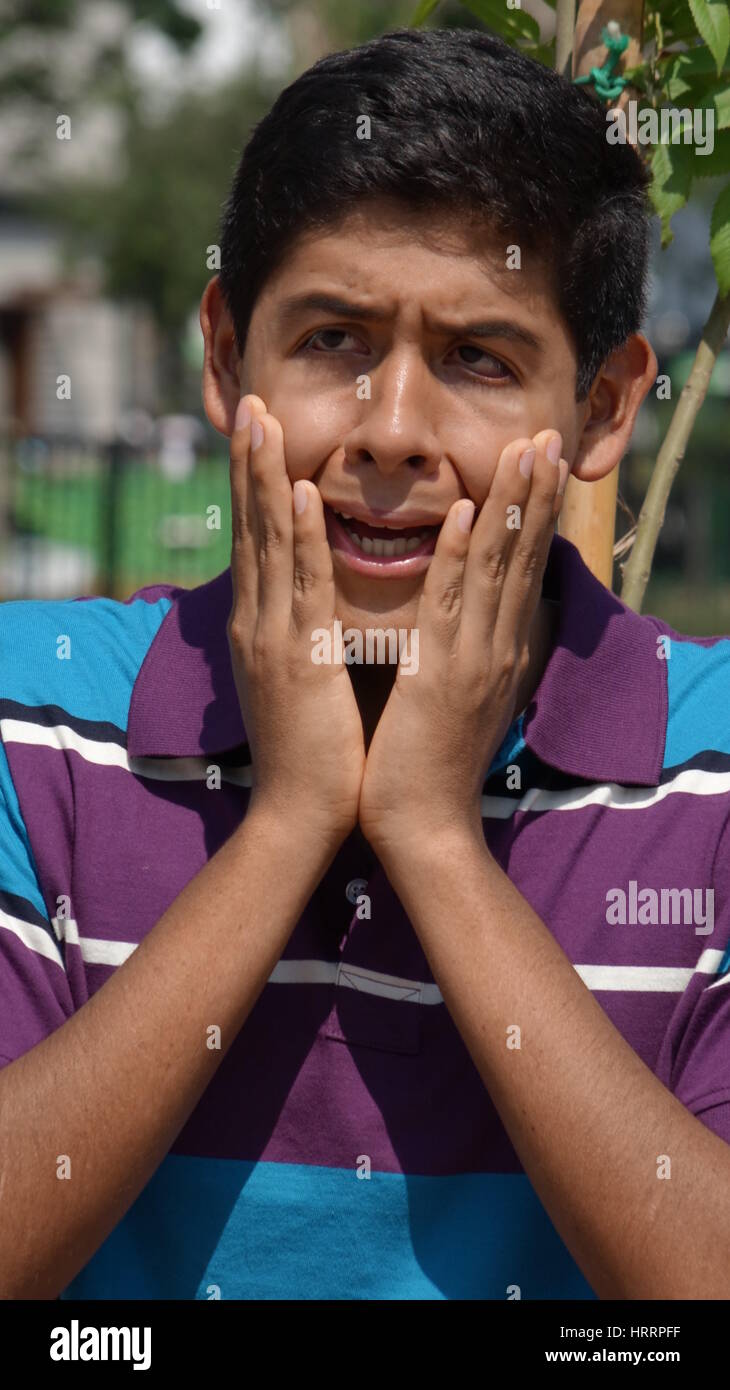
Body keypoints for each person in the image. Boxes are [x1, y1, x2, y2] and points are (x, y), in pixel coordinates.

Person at [1, 27, 728, 1301]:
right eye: (334, 340)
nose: (391, 434)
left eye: (477, 360)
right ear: (228, 357)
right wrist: (287, 822)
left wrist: (432, 835)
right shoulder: (40, 722)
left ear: (606, 409)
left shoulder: (709, 777)